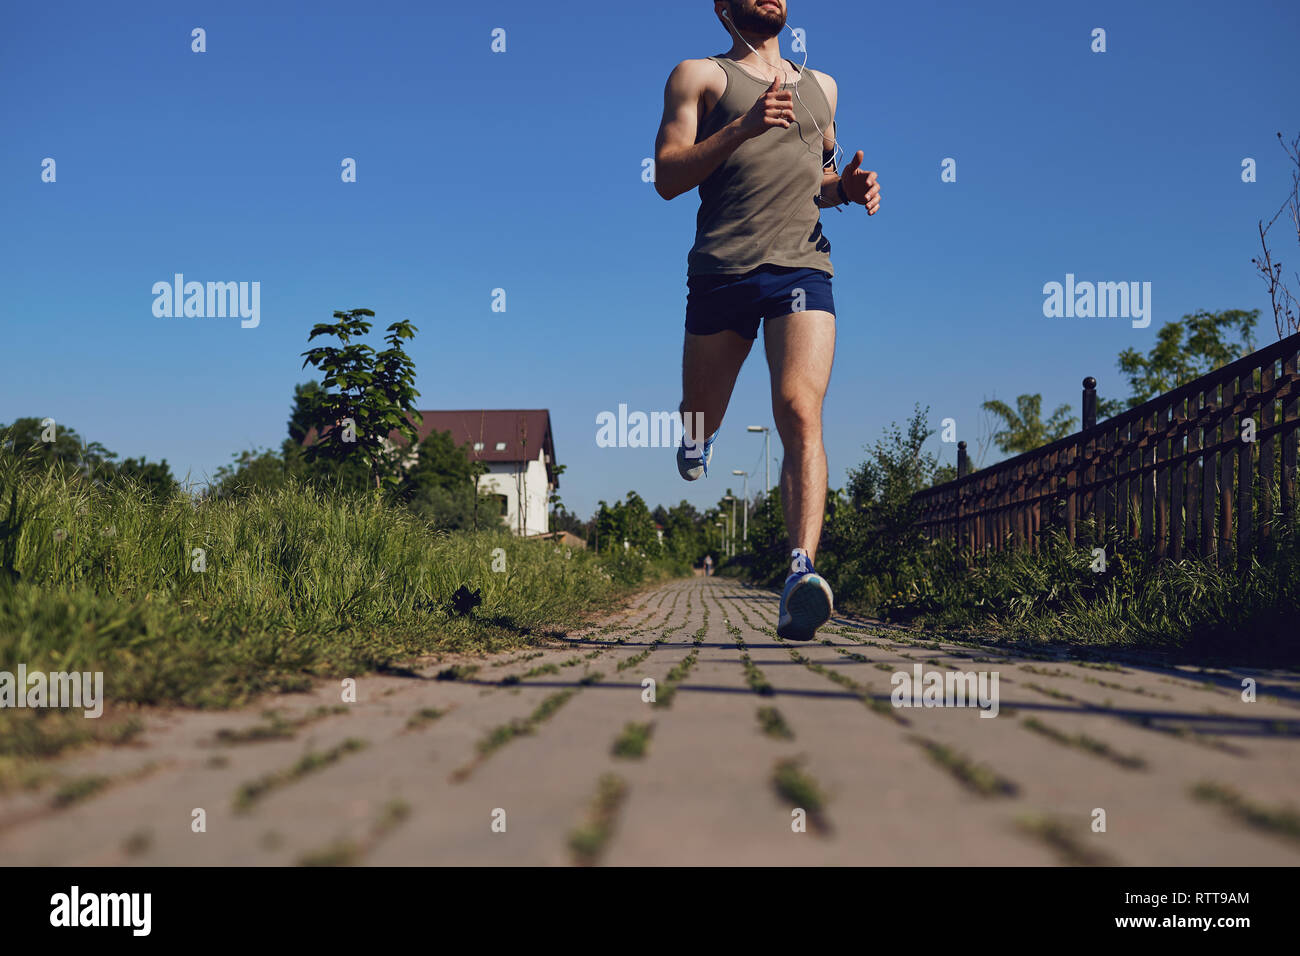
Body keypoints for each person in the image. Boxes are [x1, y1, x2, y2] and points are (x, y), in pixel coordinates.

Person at [653, 0, 880, 640]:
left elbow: (820, 178)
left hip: (801, 269)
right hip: (722, 271)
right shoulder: (699, 76)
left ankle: (799, 574)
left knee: (799, 409)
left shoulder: (822, 87)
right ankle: (696, 437)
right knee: (702, 413)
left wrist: (848, 188)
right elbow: (667, 176)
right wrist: (742, 128)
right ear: (722, 6)